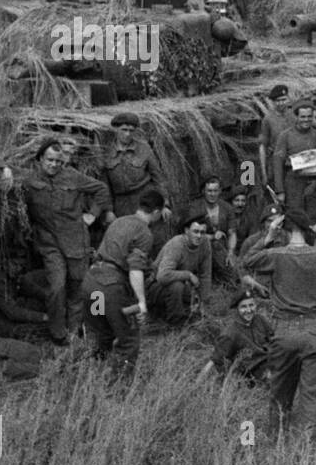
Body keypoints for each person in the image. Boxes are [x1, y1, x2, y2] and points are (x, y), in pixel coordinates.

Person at [239, 209, 316, 442]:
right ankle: (313, 454)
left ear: (284, 230)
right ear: (309, 229)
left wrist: (268, 236)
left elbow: (247, 261)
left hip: (284, 330)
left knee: (280, 392)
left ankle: (277, 443)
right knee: (313, 397)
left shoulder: (276, 255)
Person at [24, 139, 109, 345]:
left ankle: (74, 331)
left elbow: (101, 190)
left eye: (58, 161)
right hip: (49, 243)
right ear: (40, 159)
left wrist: (92, 216)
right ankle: (58, 333)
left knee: (77, 287)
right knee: (56, 287)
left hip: (75, 240)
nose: (53, 165)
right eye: (49, 160)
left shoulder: (72, 176)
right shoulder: (29, 179)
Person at [83, 189, 161, 372]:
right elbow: (135, 269)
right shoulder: (144, 233)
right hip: (110, 288)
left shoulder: (119, 221)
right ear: (156, 212)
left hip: (91, 284)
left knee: (103, 333)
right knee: (129, 340)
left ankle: (93, 374)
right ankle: (120, 388)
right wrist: (141, 302)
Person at [100, 114, 165, 222]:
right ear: (116, 129)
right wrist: (108, 210)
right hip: (121, 205)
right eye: (124, 130)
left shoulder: (144, 149)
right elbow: (105, 186)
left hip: (145, 201)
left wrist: (164, 204)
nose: (127, 134)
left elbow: (158, 178)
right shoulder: (106, 153)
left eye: (131, 130)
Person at [149, 215, 212, 324]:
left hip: (181, 286)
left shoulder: (205, 243)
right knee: (176, 286)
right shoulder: (177, 244)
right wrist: (188, 275)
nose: (199, 236)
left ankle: (183, 312)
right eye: (195, 231)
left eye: (202, 232)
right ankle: (176, 322)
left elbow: (205, 275)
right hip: (155, 286)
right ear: (187, 231)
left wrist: (204, 302)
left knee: (189, 295)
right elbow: (162, 276)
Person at [204, 291, 274, 384]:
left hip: (269, 360)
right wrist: (197, 385)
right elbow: (215, 360)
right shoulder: (231, 332)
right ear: (237, 309)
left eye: (251, 305)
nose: (249, 310)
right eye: (244, 307)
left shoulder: (259, 319)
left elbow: (273, 339)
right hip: (252, 371)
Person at [271, 101, 316, 219]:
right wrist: (280, 190)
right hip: (293, 182)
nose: (306, 120)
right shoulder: (285, 136)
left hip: (312, 183)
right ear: (297, 117)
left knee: (312, 219)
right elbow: (277, 163)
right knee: (294, 217)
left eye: (309, 117)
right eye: (303, 117)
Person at [183, 176, 238, 281]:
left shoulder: (227, 208)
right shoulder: (195, 207)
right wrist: (212, 237)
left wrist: (231, 252)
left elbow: (232, 233)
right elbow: (191, 235)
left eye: (215, 191)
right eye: (209, 191)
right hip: (199, 246)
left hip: (220, 247)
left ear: (220, 191)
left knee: (233, 275)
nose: (212, 194)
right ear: (204, 191)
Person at [258, 85, 294, 190]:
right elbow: (262, 146)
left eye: (283, 99)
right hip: (275, 163)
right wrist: (264, 172)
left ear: (288, 99)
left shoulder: (295, 116)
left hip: (293, 162)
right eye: (277, 100)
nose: (281, 103)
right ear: (273, 102)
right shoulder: (268, 119)